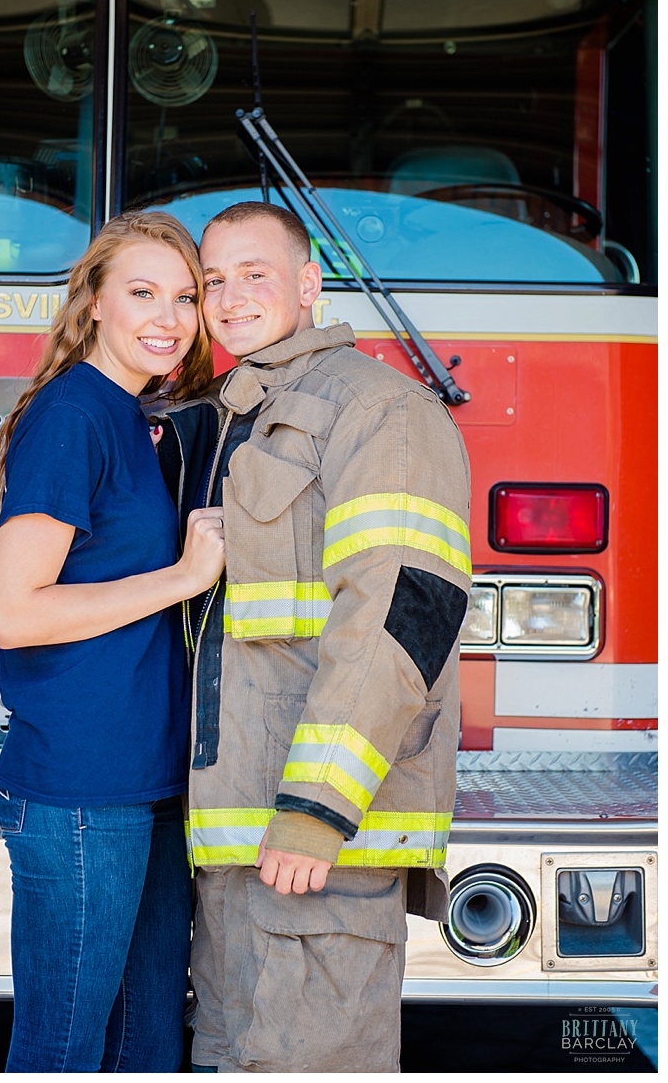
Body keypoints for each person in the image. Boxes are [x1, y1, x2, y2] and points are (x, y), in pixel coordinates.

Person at [154, 201, 472, 1073]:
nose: (229, 298)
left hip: (319, 848)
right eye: (213, 281)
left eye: (254, 274)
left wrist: (318, 807)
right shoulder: (235, 414)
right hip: (236, 851)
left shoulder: (380, 410)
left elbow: (403, 615)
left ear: (308, 283)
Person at [0, 211, 226, 1074]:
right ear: (93, 302)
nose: (169, 317)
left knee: (146, 1047)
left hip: (148, 785)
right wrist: (183, 576)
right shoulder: (74, 416)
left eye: (186, 297)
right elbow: (15, 613)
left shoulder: (132, 414)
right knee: (62, 1051)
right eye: (142, 293)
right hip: (81, 792)